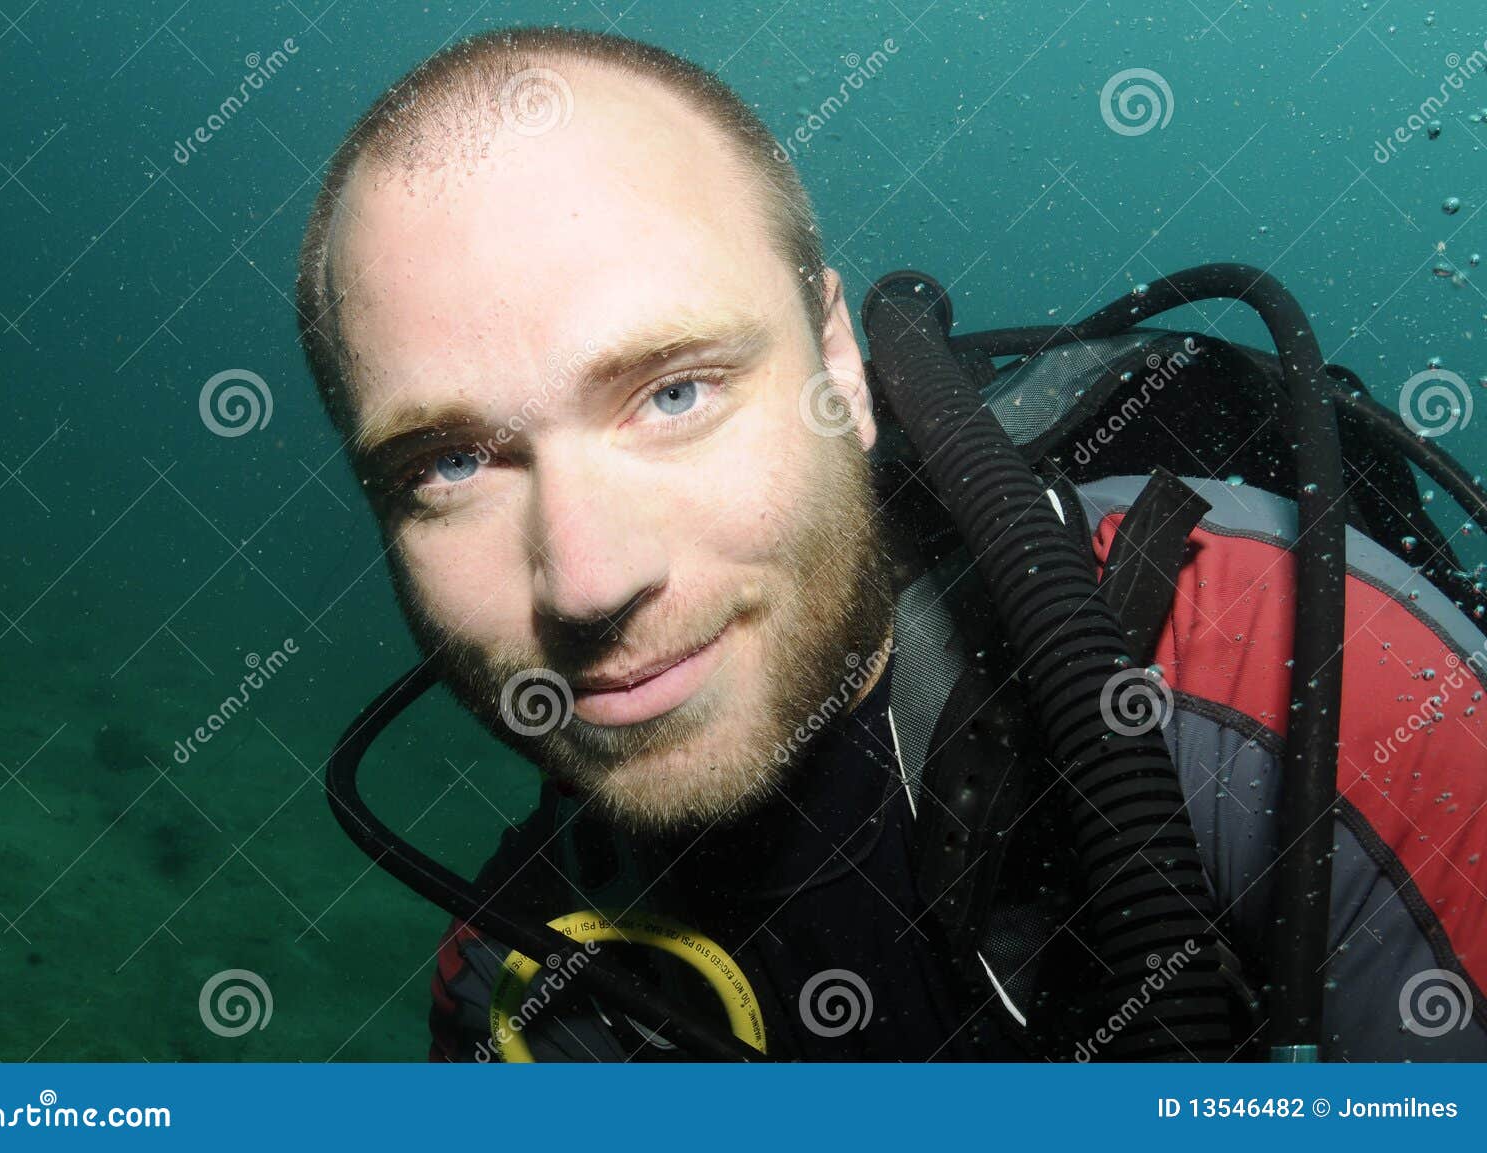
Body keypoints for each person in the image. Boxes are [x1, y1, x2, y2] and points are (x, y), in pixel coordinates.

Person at [295, 26, 1487, 1061]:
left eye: (674, 393)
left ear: (840, 369)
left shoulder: (1295, 681)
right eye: (449, 464)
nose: (591, 580)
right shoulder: (518, 991)